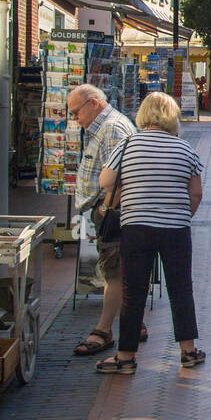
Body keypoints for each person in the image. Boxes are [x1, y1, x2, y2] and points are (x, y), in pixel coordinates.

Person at [94, 92, 204, 374]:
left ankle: (126, 356)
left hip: (136, 227)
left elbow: (106, 180)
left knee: (133, 291)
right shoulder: (185, 148)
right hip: (176, 229)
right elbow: (196, 192)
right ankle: (188, 351)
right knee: (181, 288)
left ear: (143, 114)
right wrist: (180, 215)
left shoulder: (128, 144)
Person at [68, 84, 140, 356]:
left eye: (76, 112)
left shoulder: (111, 128)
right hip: (108, 209)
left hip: (111, 212)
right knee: (120, 272)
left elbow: (122, 175)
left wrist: (105, 210)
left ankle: (104, 330)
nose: (75, 119)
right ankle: (133, 322)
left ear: (94, 103)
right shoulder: (105, 126)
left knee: (114, 274)